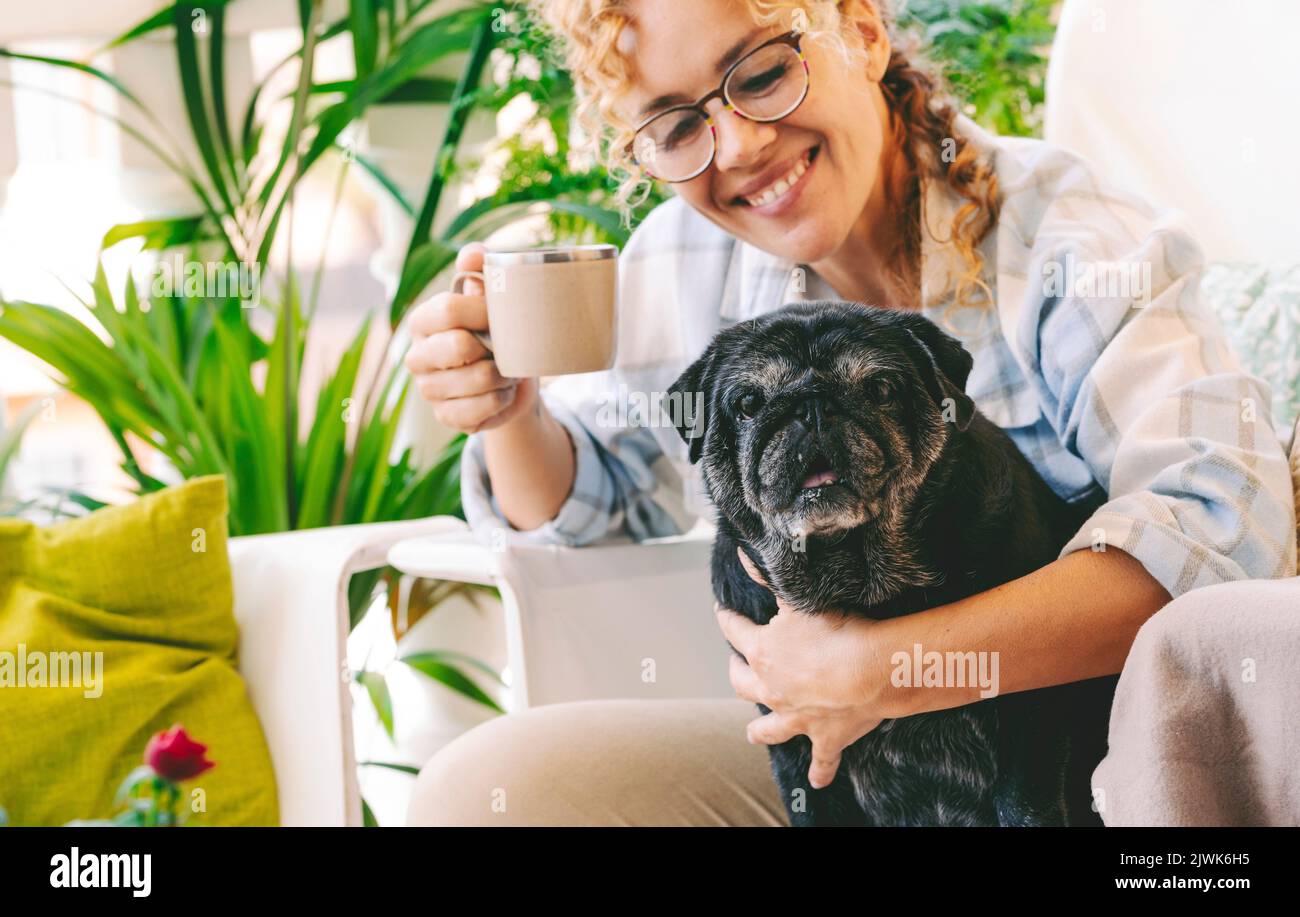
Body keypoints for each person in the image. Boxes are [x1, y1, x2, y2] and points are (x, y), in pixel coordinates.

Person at [400, 0, 1299, 826]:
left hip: (1097, 764)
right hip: (843, 763)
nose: (740, 145)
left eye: (760, 74)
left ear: (862, 31)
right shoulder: (682, 261)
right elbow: (600, 497)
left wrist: (886, 670)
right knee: (486, 793)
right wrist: (509, 414)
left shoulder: (1071, 240)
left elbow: (1220, 528)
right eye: (677, 125)